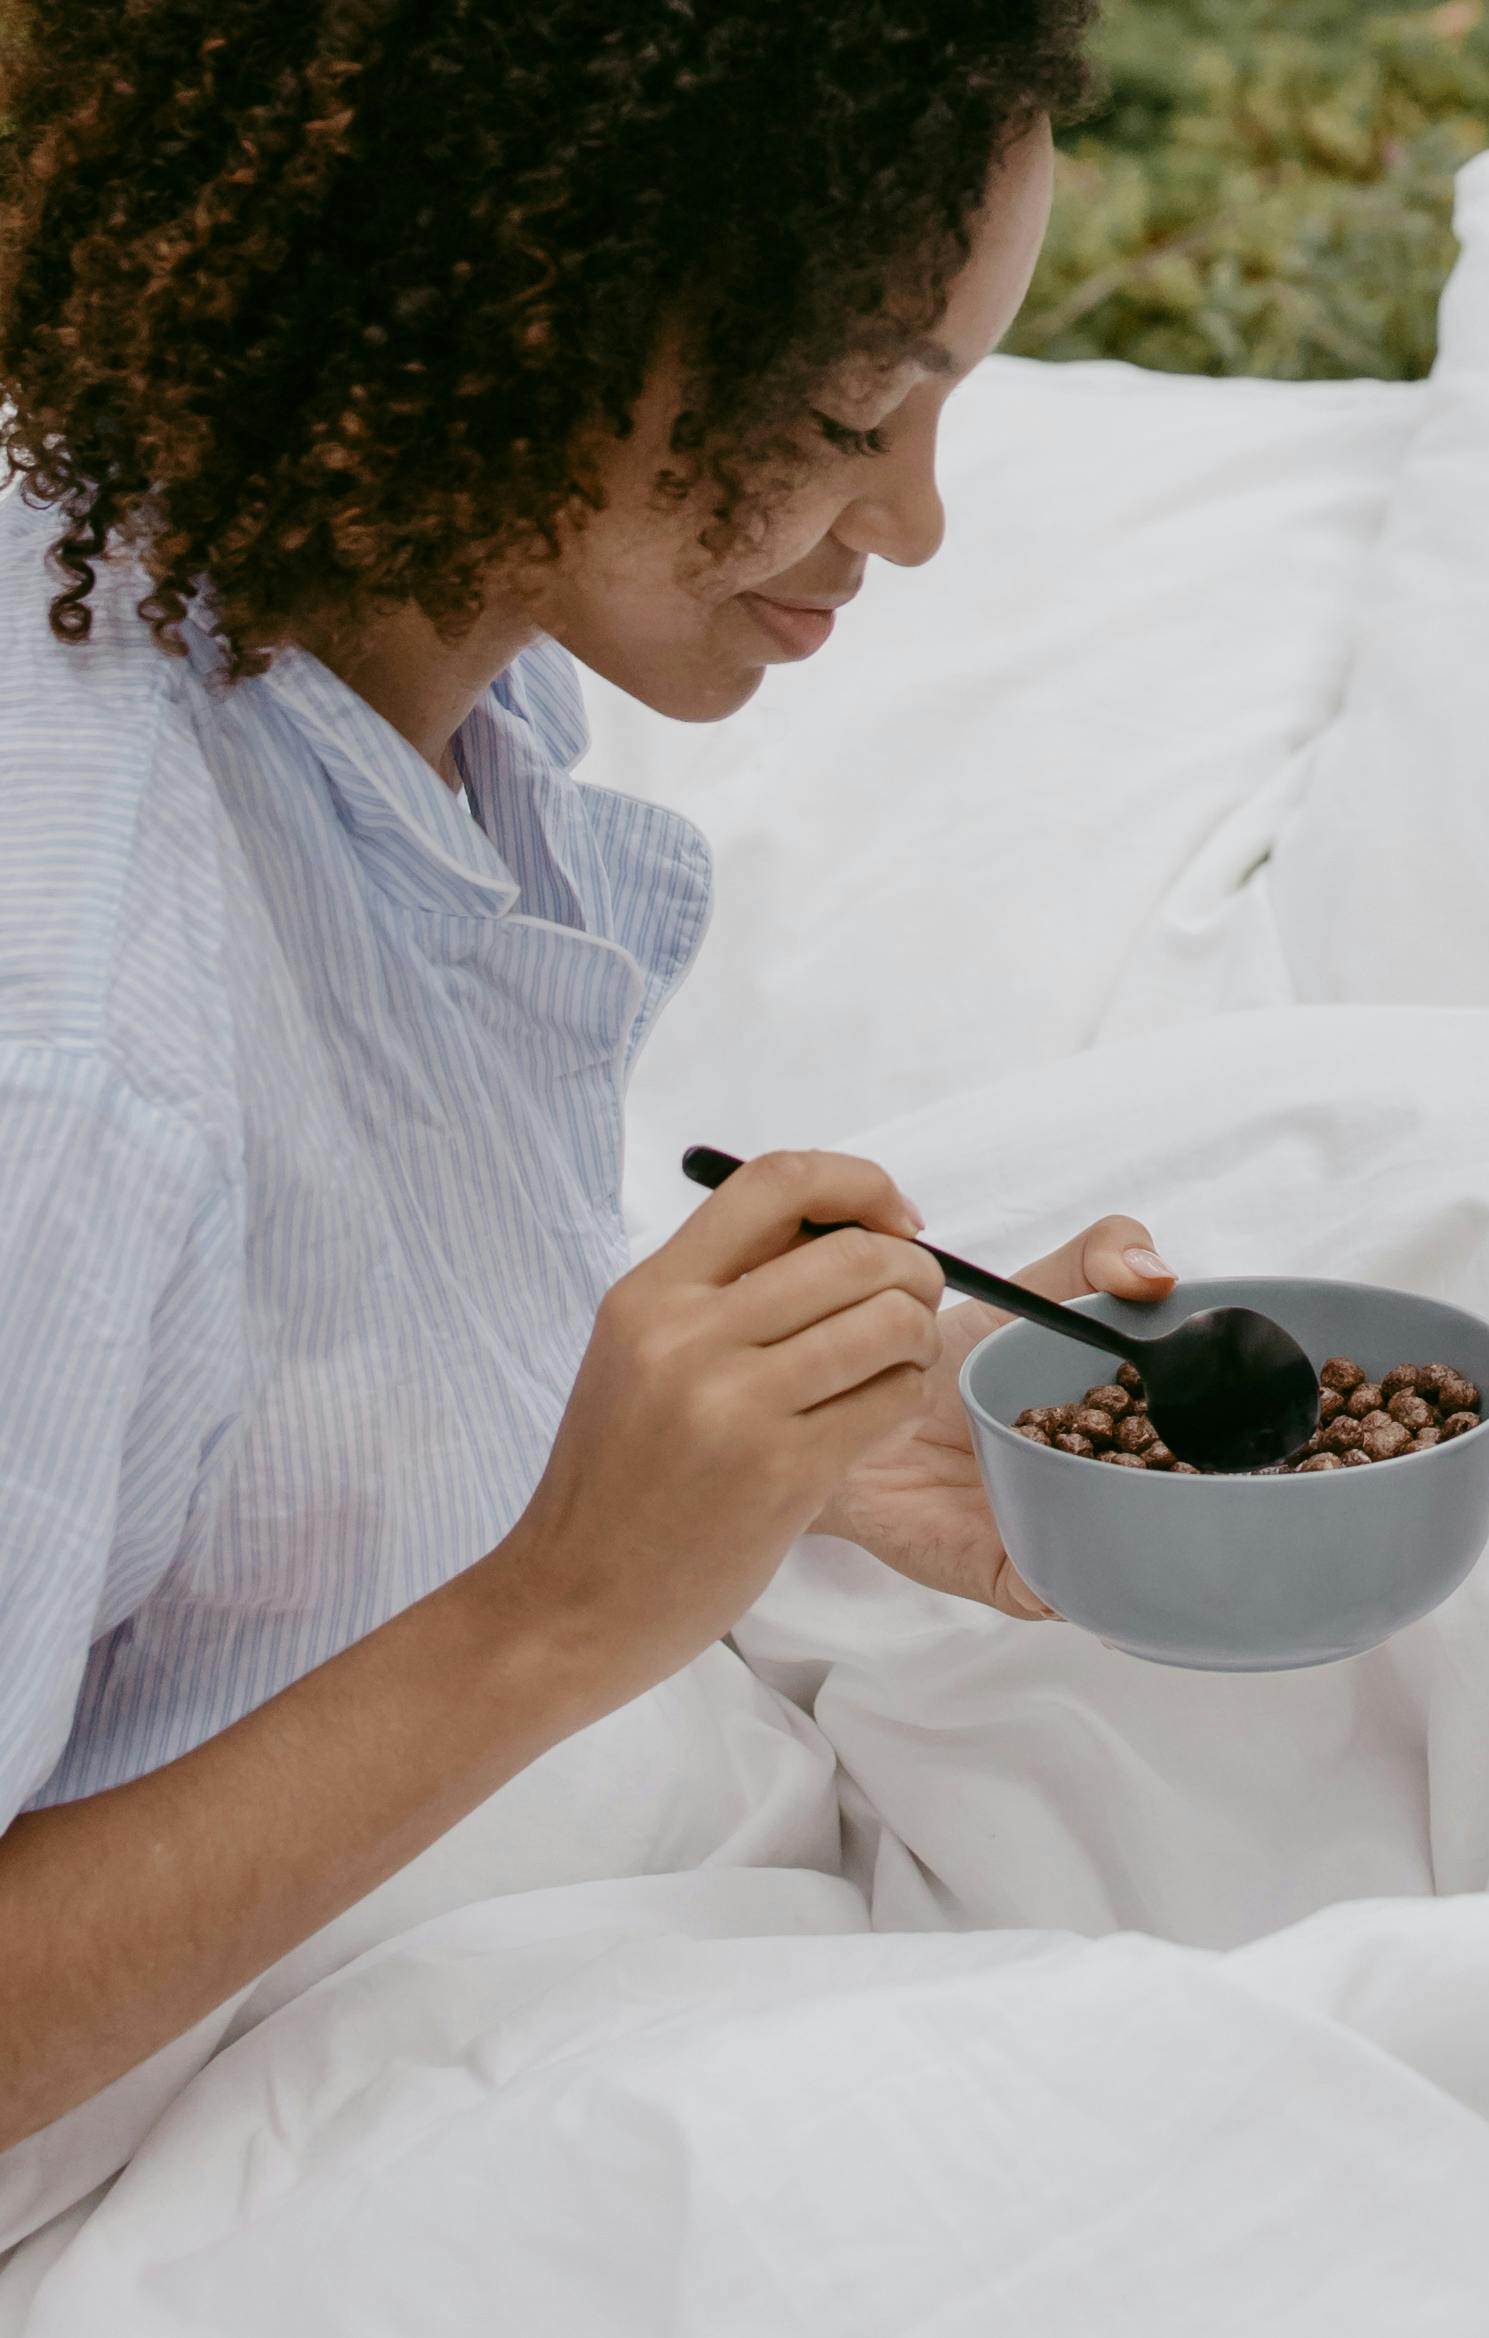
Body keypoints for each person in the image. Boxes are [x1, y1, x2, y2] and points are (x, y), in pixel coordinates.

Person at [0, 0, 1140, 2152]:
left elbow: (246, 1378)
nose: (913, 521)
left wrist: (781, 1457)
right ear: (513, 313)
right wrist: (558, 1611)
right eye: (852, 407)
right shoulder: (66, 1054)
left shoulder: (359, 632)